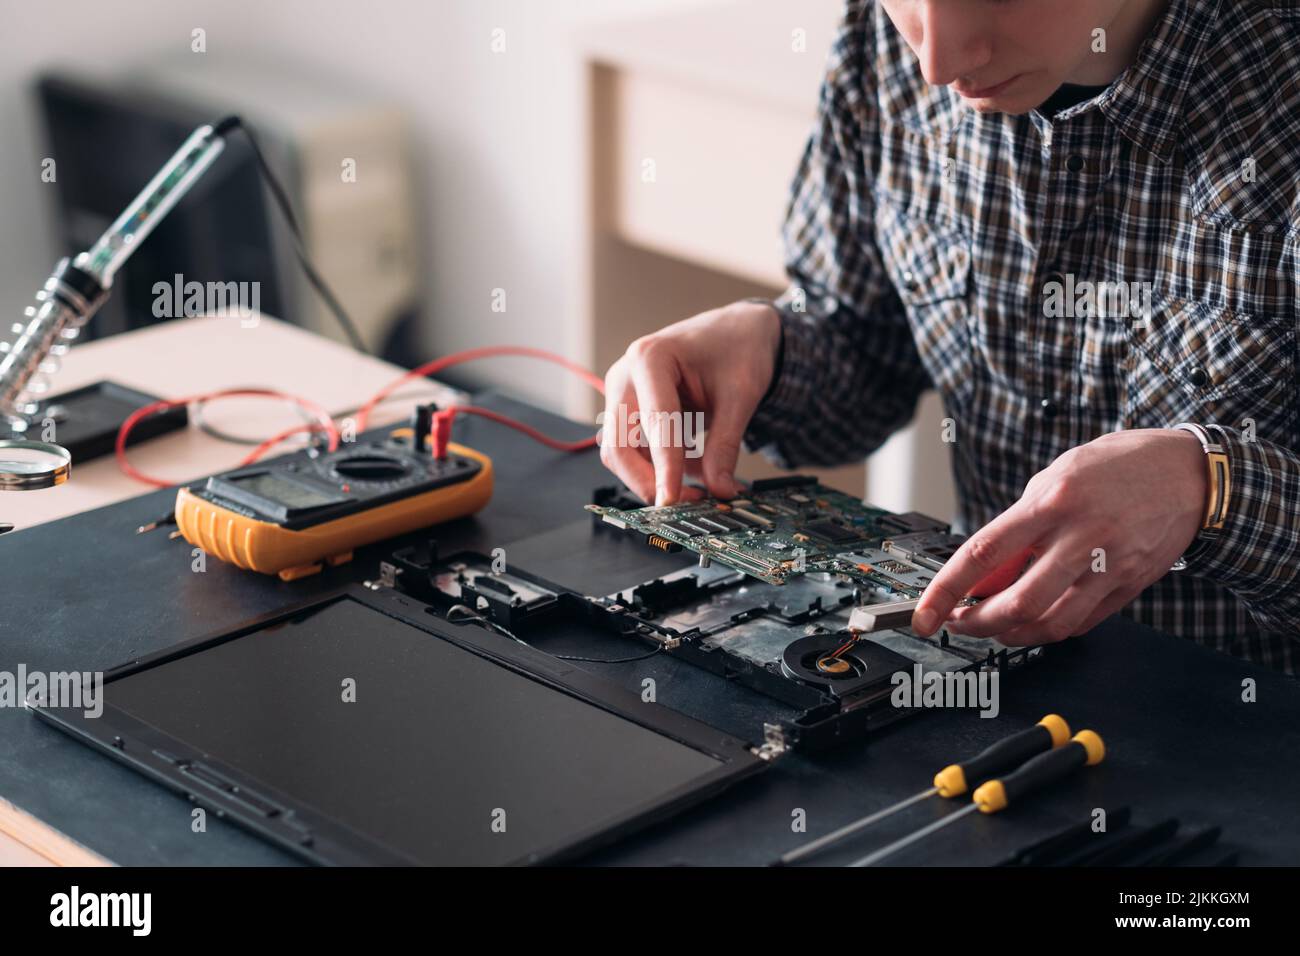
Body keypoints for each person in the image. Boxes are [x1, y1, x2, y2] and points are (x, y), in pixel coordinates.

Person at [598, 0, 1300, 672]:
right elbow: (865, 353)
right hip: (991, 684)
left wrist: (1209, 492)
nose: (935, 62)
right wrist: (771, 351)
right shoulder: (880, 39)